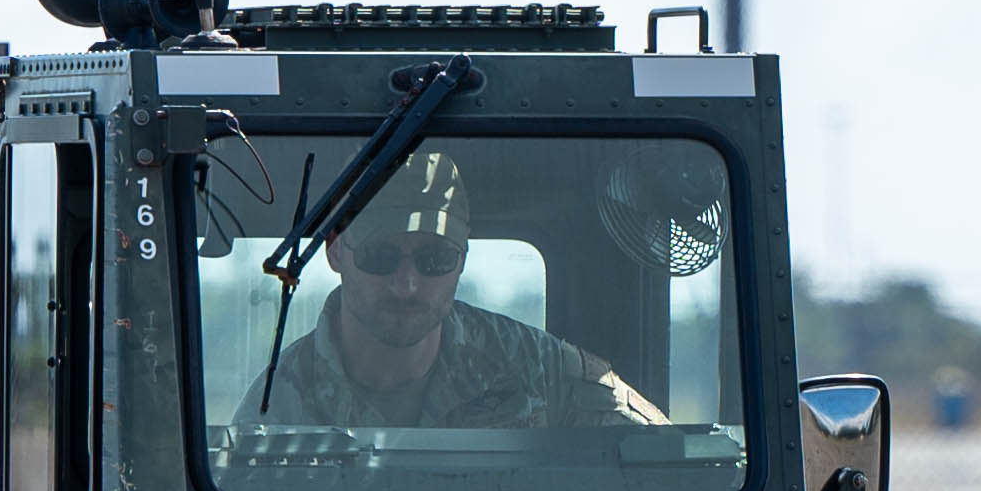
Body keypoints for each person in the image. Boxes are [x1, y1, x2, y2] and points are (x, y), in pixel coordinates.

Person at [241, 152, 667, 430]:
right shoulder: (278, 401)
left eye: (434, 260)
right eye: (381, 256)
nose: (407, 284)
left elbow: (670, 465)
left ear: (461, 259)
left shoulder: (544, 371)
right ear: (335, 251)